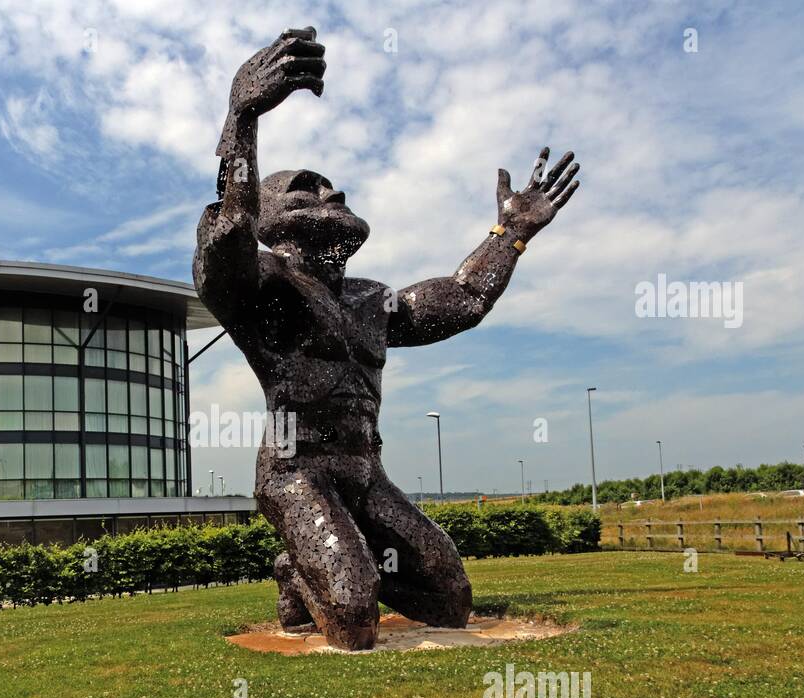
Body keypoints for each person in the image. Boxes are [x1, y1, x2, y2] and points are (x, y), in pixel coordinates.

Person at [193, 27, 581, 649]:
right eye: (308, 187)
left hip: (366, 471)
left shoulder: (373, 299)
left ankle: (300, 570)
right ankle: (319, 571)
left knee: (449, 598)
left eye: (331, 185)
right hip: (297, 472)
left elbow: (464, 298)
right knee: (353, 617)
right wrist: (242, 116)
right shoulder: (263, 286)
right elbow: (228, 231)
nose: (333, 192)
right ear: (272, 219)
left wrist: (510, 234)